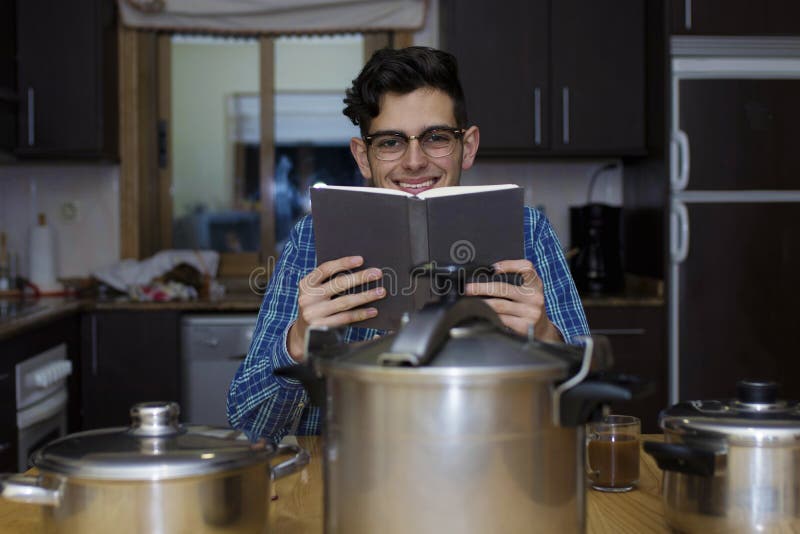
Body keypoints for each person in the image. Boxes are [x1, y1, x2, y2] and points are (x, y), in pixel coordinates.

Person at [227, 46, 589, 443]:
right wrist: (296, 342)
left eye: (436, 138)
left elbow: (588, 416)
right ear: (363, 157)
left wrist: (546, 338)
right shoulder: (310, 241)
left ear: (466, 147)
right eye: (390, 142)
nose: (414, 161)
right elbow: (249, 426)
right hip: (346, 475)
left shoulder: (529, 232)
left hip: (488, 466)